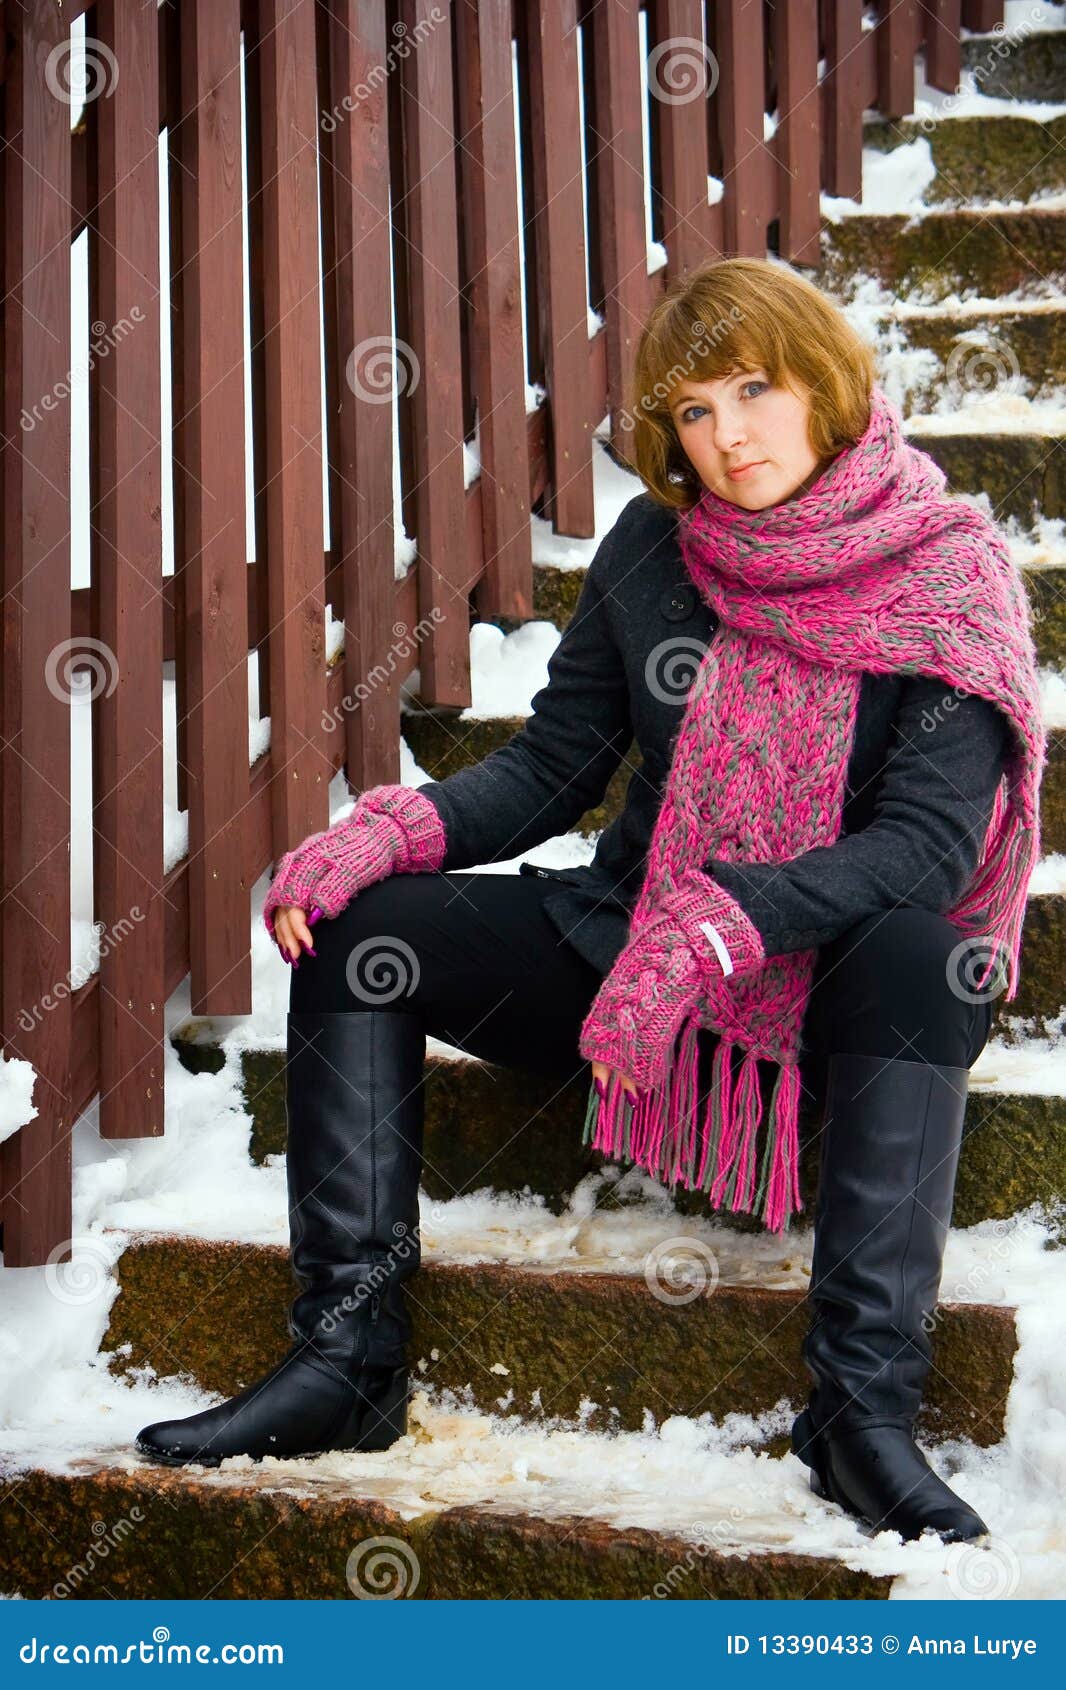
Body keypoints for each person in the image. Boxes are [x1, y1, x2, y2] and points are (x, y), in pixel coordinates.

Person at [135, 257, 1045, 1546]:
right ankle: (347, 1362)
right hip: (634, 951)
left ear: (826, 384)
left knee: (918, 956)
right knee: (361, 934)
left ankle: (861, 1413)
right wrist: (392, 829)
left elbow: (929, 849)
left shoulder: (950, 578)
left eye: (753, 389)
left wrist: (733, 921)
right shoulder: (654, 552)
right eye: (690, 411)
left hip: (837, 982)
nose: (726, 437)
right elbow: (550, 768)